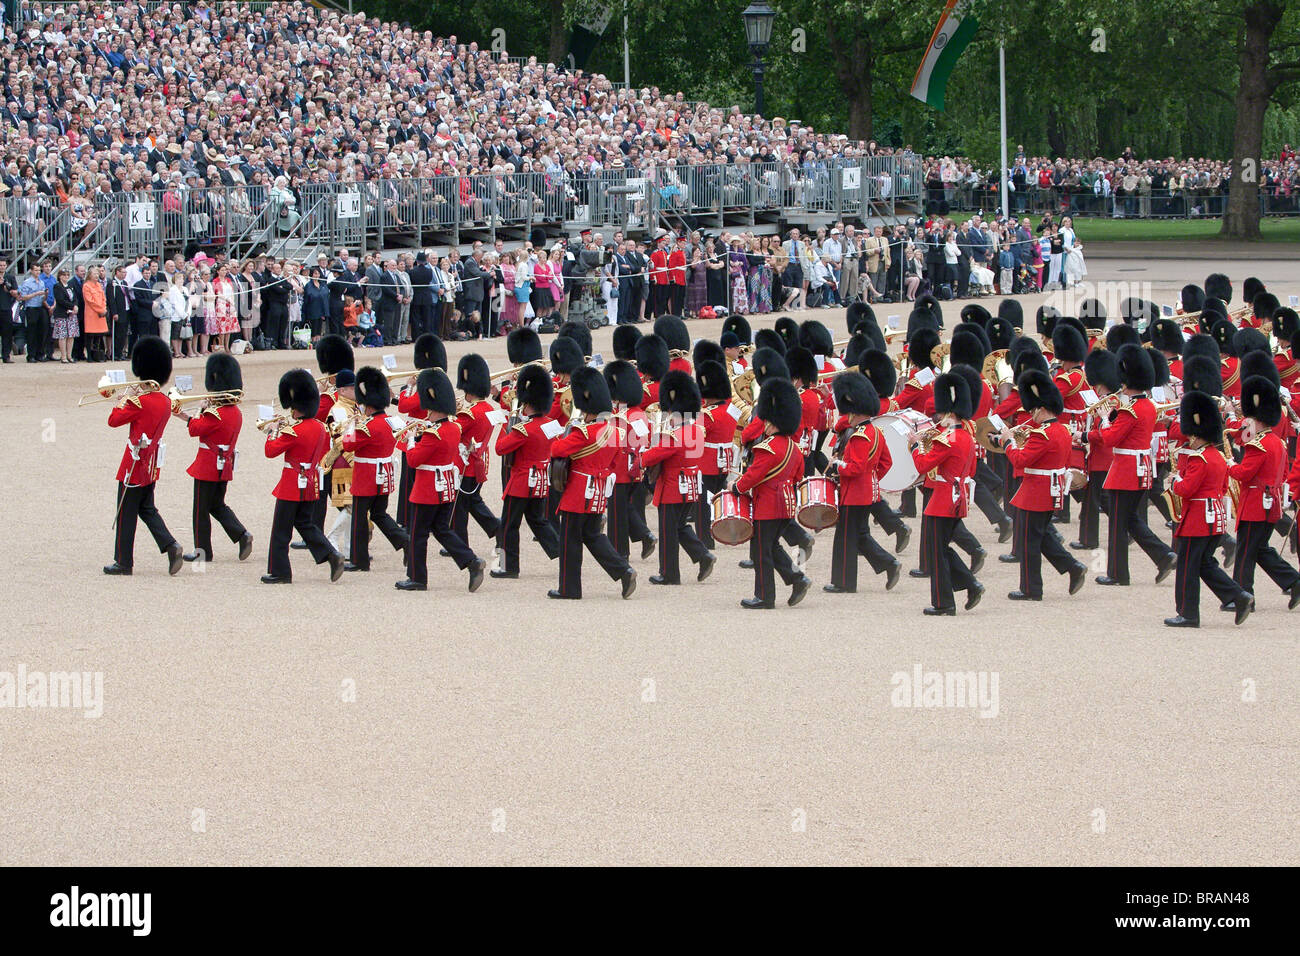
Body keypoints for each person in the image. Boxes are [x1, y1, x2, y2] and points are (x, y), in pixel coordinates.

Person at [1090, 345, 1177, 586]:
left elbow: (1110, 439)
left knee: (1118, 523)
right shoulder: (1147, 406)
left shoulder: (1130, 410)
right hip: (1141, 468)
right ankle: (1163, 555)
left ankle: (1118, 573)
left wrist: (1105, 419)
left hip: (1126, 470)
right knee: (1129, 519)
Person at [548, 367, 638, 600]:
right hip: (598, 490)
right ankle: (623, 570)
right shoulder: (616, 432)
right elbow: (616, 461)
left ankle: (569, 589)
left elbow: (557, 449)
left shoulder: (584, 432)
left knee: (570, 541)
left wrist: (564, 434)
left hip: (577, 491)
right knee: (593, 535)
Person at [1164, 392, 1253, 627]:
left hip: (1197, 520)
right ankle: (1238, 596)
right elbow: (1223, 487)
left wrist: (1174, 480)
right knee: (1205, 564)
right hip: (1214, 518)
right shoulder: (1218, 457)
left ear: (1195, 433)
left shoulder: (1199, 459)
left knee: (1187, 567)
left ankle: (1188, 613)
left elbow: (1186, 489)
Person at [396, 368, 487, 592]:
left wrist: (410, 440)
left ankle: (417, 578)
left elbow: (414, 461)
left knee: (418, 535)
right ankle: (471, 561)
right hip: (446, 487)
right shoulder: (453, 427)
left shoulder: (433, 433)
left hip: (427, 489)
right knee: (442, 529)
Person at [1001, 369, 1088, 600]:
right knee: (1043, 537)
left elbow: (1020, 460)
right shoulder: (1060, 430)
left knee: (1029, 542)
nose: (1031, 414)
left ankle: (1031, 589)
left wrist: (1009, 442)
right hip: (1051, 490)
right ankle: (1073, 567)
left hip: (1036, 492)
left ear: (1040, 408)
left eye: (1033, 409)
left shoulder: (1042, 435)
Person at [102, 336, 184, 577]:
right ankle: (171, 546)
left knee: (126, 513)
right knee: (147, 508)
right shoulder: (164, 401)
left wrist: (123, 399)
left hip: (134, 463)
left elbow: (113, 421)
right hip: (150, 464)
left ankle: (123, 561)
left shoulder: (139, 402)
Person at [733, 379, 813, 609]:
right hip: (786, 504)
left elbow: (753, 476)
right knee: (771, 546)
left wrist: (736, 487)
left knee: (761, 551)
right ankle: (797, 578)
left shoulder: (767, 448)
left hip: (767, 506)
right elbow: (798, 477)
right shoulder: (793, 448)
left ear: (772, 422)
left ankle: (765, 596)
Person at [910, 373, 985, 615]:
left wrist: (914, 445)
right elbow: (971, 469)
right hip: (958, 496)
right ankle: (971, 584)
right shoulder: (966, 437)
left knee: (936, 552)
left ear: (949, 413)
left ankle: (944, 603)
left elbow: (922, 465)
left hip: (942, 499)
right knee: (942, 547)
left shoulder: (947, 439)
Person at [262, 369, 345, 584]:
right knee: (306, 524)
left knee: (281, 530)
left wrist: (273, 430)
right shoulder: (319, 428)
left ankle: (280, 572)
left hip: (292, 483)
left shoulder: (294, 430)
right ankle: (331, 554)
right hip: (310, 481)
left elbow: (270, 451)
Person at [824, 372, 902, 593]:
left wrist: (838, 465)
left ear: (854, 412)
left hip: (854, 494)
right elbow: (886, 462)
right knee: (859, 535)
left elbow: (855, 467)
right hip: (866, 492)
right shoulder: (875, 431)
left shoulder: (859, 436)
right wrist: (871, 479)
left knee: (845, 539)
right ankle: (889, 563)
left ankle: (844, 583)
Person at [1229, 375, 1300, 610]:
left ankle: (1242, 595)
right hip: (1271, 503)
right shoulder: (1275, 441)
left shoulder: (1258, 445)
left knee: (1245, 552)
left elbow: (1244, 473)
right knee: (1259, 549)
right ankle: (1293, 580)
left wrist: (1228, 464)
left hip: (1255, 505)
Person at [173, 353, 252, 564]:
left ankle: (202, 551)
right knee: (217, 504)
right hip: (224, 465)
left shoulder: (215, 413)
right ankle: (241, 534)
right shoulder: (234, 411)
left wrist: (190, 413)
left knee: (200, 510)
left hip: (208, 465)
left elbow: (196, 429)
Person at [640, 371, 716, 585]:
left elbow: (648, 457)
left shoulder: (674, 436)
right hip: (690, 486)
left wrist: (646, 450)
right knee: (680, 526)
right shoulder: (696, 430)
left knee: (667, 532)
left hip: (673, 489)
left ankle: (669, 574)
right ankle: (703, 555)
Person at [492, 363, 562, 578]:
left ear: (527, 403)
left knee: (509, 525)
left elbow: (500, 448)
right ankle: (562, 551)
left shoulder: (523, 429)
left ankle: (509, 566)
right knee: (537, 520)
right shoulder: (551, 424)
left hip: (522, 482)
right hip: (541, 480)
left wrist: (509, 424)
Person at [342, 367, 409, 572]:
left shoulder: (367, 426)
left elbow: (347, 445)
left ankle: (359, 559)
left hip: (367, 477)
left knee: (359, 518)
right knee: (380, 514)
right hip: (385, 474)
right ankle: (404, 540)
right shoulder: (392, 421)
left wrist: (348, 426)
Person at [451, 354, 503, 548]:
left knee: (460, 507)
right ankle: (497, 529)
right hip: (480, 461)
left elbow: (452, 431)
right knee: (472, 502)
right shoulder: (489, 408)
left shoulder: (469, 413)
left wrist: (451, 413)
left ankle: (459, 543)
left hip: (465, 464)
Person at [693, 359, 740, 550]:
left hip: (706, 465)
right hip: (724, 463)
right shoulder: (731, 410)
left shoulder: (707, 415)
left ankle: (705, 540)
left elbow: (693, 439)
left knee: (702, 506)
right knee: (722, 499)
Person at [51, 268, 77, 364]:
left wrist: (75, 306)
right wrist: (72, 306)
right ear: (60, 276)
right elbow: (60, 300)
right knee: (63, 336)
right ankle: (63, 356)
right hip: (62, 313)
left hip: (71, 314)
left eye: (67, 275)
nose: (66, 277)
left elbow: (75, 297)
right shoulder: (57, 286)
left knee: (71, 335)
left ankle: (69, 355)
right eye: (64, 275)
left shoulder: (70, 286)